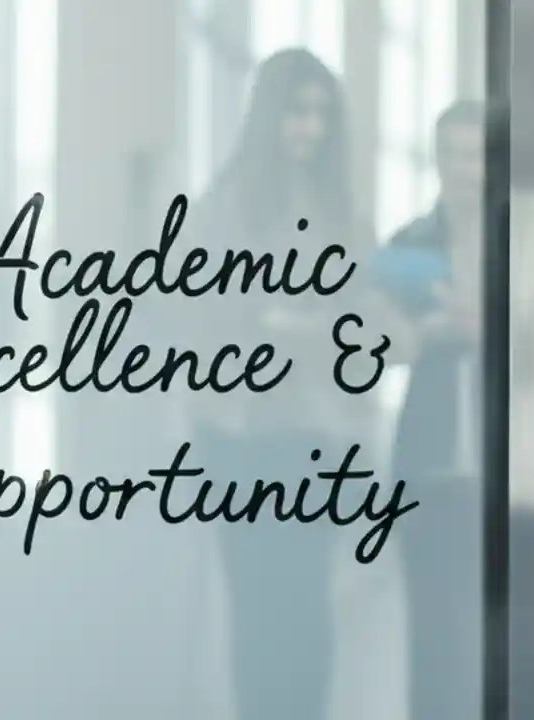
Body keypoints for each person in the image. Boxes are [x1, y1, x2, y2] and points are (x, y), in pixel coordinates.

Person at [183, 48, 378, 720]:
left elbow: (355, 320)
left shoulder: (341, 211)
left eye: (322, 113)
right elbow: (202, 315)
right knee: (257, 608)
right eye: (298, 111)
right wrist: (275, 321)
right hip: (237, 436)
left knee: (308, 609)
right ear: (270, 114)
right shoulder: (225, 205)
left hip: (315, 435)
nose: (310, 128)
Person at [380, 99, 502, 719]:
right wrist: (425, 331)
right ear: (437, 161)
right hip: (426, 454)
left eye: (478, 153)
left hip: (503, 456)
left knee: (497, 622)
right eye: (453, 154)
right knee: (430, 622)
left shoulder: (525, 242)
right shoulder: (407, 244)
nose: (466, 169)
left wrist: (487, 325)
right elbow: (375, 341)